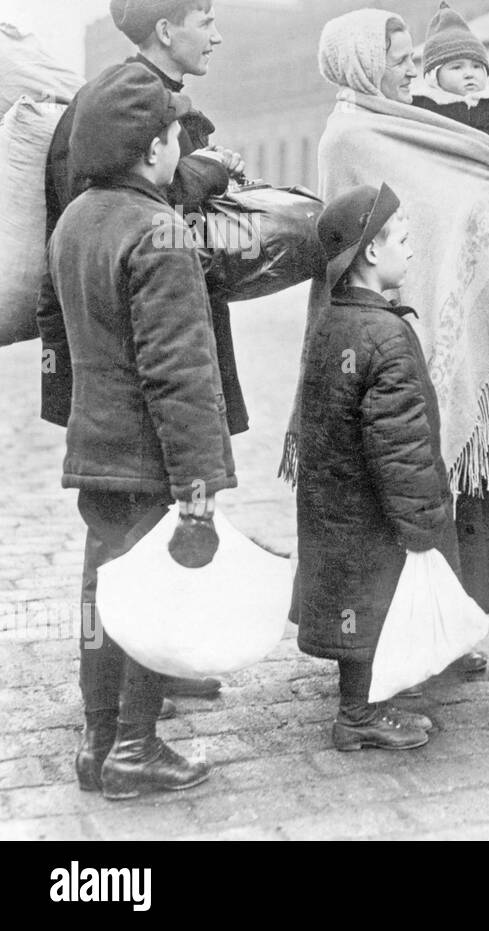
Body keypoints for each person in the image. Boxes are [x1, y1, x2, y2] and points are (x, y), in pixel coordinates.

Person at [292, 8, 489, 676]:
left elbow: (463, 188)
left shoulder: (424, 127)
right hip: (382, 342)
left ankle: (454, 624)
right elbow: (351, 245)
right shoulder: (348, 137)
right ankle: (390, 641)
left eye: (412, 56)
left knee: (463, 480)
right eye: (399, 57)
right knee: (399, 486)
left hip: (447, 332)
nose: (413, 66)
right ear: (361, 63)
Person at [40, 0, 245, 701]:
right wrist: (207, 173)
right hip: (133, 364)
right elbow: (109, 207)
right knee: (138, 552)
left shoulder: (138, 105)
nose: (215, 31)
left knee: (122, 553)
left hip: (136, 357)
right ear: (166, 28)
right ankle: (131, 722)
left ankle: (143, 684)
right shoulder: (119, 108)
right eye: (204, 16)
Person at [42, 64, 225, 799]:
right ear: (153, 149)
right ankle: (137, 749)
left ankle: (97, 743)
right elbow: (178, 374)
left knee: (99, 596)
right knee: (150, 597)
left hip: (94, 452)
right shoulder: (160, 230)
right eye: (178, 137)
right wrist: (199, 484)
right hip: (149, 458)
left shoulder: (74, 220)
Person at [295, 184, 461, 749]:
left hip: (338, 504)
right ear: (371, 252)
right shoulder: (385, 334)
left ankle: (364, 704)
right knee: (373, 599)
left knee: (358, 602)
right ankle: (358, 717)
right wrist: (422, 525)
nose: (412, 251)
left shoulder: (334, 320)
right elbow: (400, 447)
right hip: (371, 510)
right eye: (405, 240)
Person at [412, 1, 489, 153]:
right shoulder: (420, 105)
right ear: (434, 75)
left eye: (477, 66)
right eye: (457, 67)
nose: (469, 74)